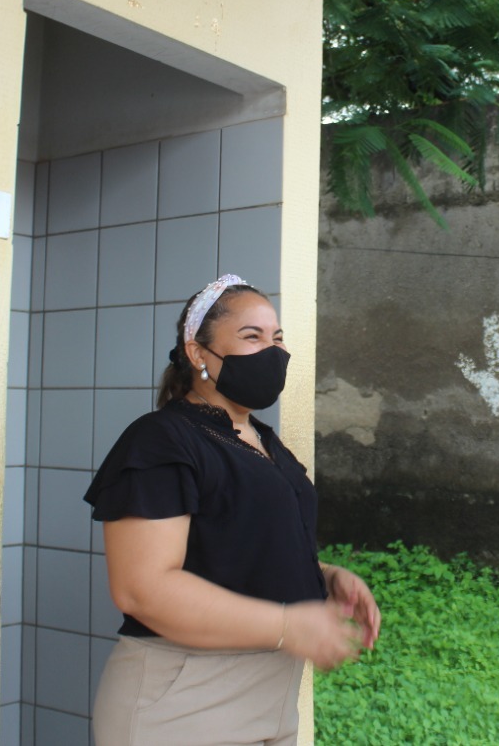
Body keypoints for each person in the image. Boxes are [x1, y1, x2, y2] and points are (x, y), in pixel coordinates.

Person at [84, 274, 381, 746]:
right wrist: (288, 625)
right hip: (184, 705)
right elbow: (141, 589)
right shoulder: (161, 440)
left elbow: (237, 547)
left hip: (273, 700)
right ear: (198, 353)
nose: (272, 351)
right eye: (252, 336)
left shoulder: (263, 441)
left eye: (277, 338)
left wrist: (325, 577)